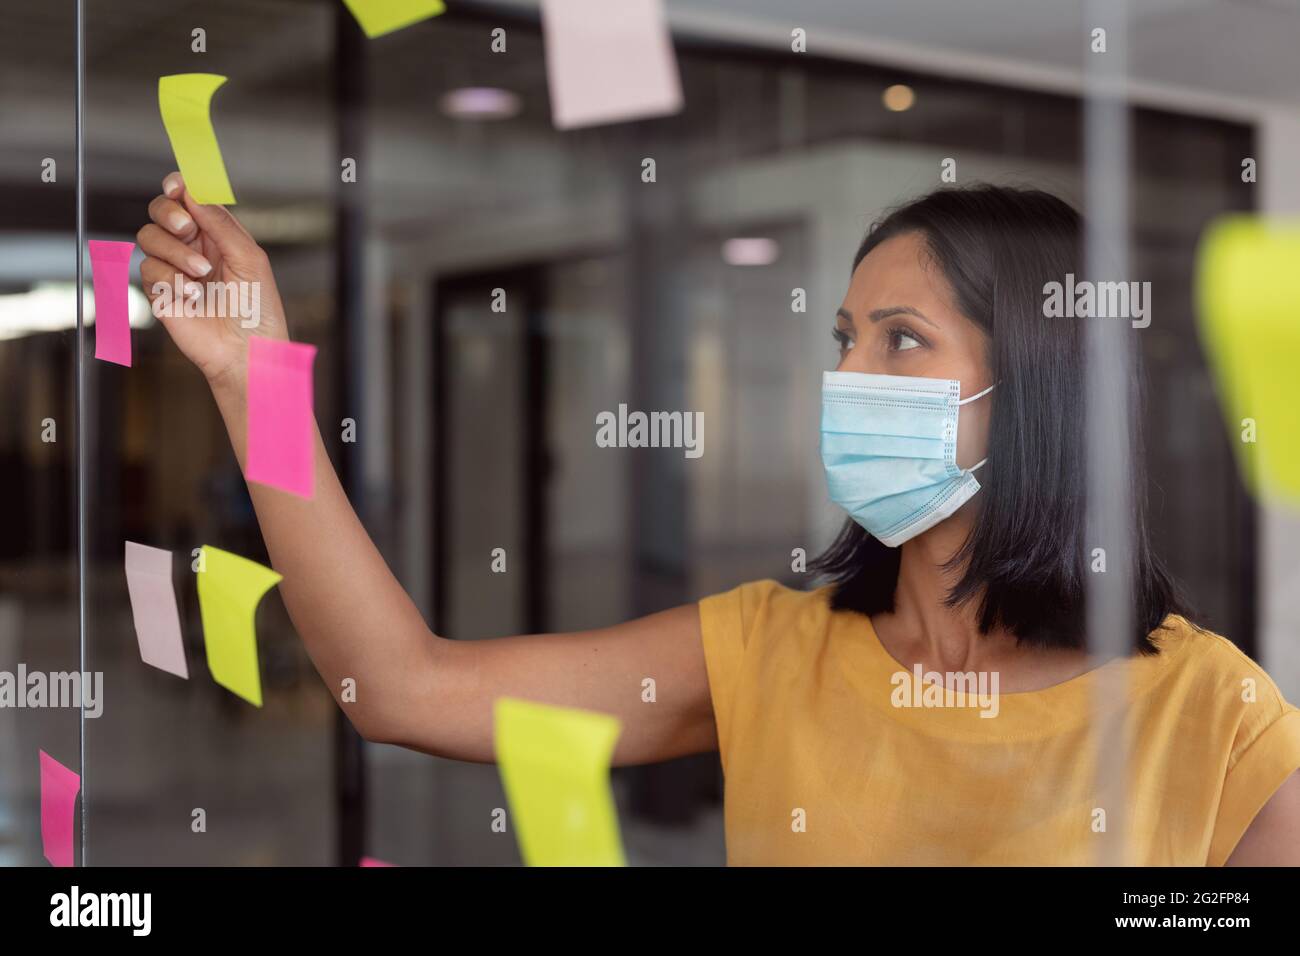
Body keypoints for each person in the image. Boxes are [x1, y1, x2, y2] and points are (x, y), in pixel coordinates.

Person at [136, 175, 1300, 865]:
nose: (849, 373)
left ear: (1040, 387)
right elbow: (394, 683)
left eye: (901, 338)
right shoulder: (762, 650)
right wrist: (257, 379)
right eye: (843, 338)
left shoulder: (1218, 719)